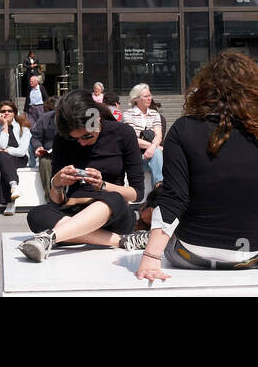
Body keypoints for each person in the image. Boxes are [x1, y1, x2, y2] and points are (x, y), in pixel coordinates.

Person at [132, 51, 258, 290]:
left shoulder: (182, 129)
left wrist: (150, 259)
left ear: (205, 87)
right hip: (253, 256)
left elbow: (174, 197)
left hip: (189, 256)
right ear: (256, 87)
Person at [17, 90, 147, 262]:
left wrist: (103, 186)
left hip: (112, 213)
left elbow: (137, 193)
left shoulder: (123, 133)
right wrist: (57, 182)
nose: (82, 142)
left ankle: (50, 237)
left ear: (98, 119)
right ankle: (122, 241)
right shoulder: (62, 140)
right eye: (75, 139)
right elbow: (57, 201)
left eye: (86, 135)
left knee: (114, 198)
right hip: (72, 209)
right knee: (36, 215)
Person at [0, 101, 31, 215]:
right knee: (3, 157)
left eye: (9, 111)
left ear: (14, 113)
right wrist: (4, 125)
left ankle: (10, 200)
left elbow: (21, 151)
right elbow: (1, 143)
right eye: (3, 111)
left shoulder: (23, 127)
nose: (6, 113)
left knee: (5, 160)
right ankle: (14, 188)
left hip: (18, 158)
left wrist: (3, 150)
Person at [123, 83, 164, 189]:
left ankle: (159, 187)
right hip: (137, 156)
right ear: (136, 99)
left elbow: (158, 135)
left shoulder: (155, 114)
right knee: (158, 151)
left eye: (150, 95)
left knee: (158, 153)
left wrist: (152, 148)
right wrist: (154, 147)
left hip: (153, 155)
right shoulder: (128, 114)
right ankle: (159, 188)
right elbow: (133, 140)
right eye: (146, 96)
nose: (149, 98)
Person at [30, 96, 59, 191]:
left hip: (69, 152)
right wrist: (38, 147)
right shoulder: (45, 118)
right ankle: (50, 197)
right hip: (49, 153)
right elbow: (35, 136)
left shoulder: (74, 119)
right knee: (45, 162)